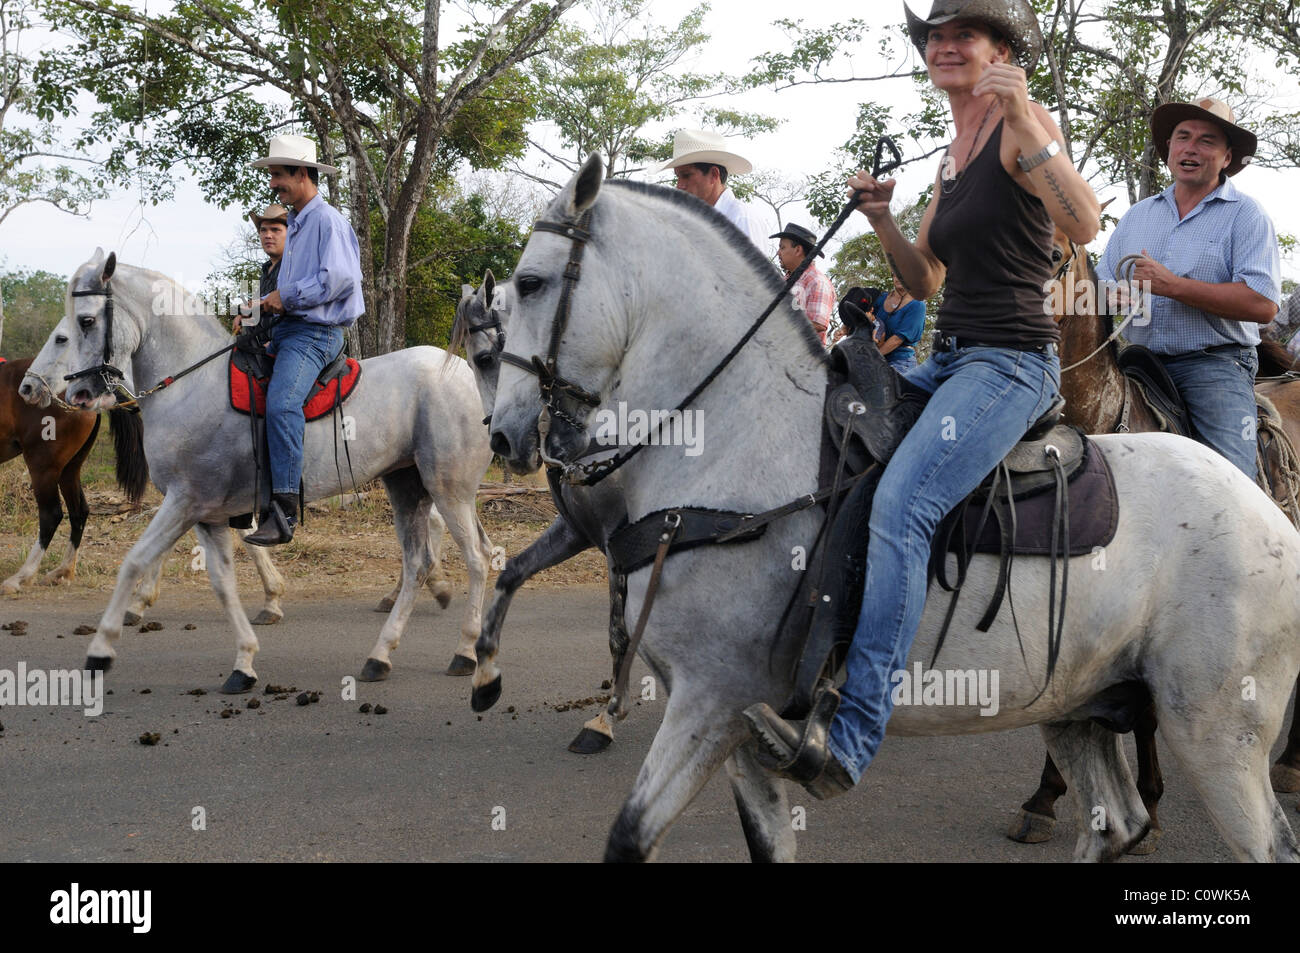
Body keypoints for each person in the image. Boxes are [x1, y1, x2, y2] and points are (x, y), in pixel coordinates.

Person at [743, 0, 1100, 798]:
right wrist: (881, 220)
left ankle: (853, 736)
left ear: (1001, 51)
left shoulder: (1021, 122)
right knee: (831, 447)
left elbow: (1083, 218)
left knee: (902, 507)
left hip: (1011, 364)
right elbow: (924, 280)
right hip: (949, 356)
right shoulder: (953, 152)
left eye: (961, 35)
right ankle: (808, 661)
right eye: (934, 36)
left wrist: (1023, 113)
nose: (943, 46)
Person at [1098, 97, 1280, 480]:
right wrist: (1108, 294)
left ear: (1227, 158)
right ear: (1169, 149)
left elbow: (1263, 304)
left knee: (1228, 482)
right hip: (1138, 360)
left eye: (1207, 140)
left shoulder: (1246, 215)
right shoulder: (1138, 215)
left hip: (1214, 364)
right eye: (1183, 137)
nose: (1191, 148)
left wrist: (1174, 286)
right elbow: (1100, 282)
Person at [242, 135, 365, 547]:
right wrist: (261, 305)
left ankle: (284, 512)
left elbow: (340, 280)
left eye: (278, 175)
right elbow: (290, 289)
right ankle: (245, 495)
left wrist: (284, 297)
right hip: (288, 329)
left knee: (280, 403)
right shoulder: (296, 224)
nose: (273, 183)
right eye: (273, 175)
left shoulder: (328, 221)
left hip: (316, 334)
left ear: (300, 173)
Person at [652, 129, 770, 253]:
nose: (679, 186)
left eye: (686, 175)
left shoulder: (741, 219)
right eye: (678, 177)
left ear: (714, 175)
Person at [772, 223, 836, 344]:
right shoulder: (785, 280)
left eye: (782, 247)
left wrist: (779, 320)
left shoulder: (817, 281)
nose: (778, 253)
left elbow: (818, 324)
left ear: (798, 250)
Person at [233, 204, 289, 335]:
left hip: (286, 344)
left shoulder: (296, 267)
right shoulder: (265, 271)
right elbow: (260, 316)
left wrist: (275, 341)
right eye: (263, 230)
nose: (268, 235)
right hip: (259, 347)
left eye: (275, 230)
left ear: (290, 234)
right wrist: (243, 318)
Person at [873, 275, 927, 370]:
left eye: (903, 273)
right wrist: (845, 328)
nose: (899, 277)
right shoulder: (881, 298)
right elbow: (866, 316)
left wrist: (872, 357)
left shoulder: (917, 305)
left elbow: (897, 339)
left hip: (900, 361)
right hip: (876, 356)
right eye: (896, 273)